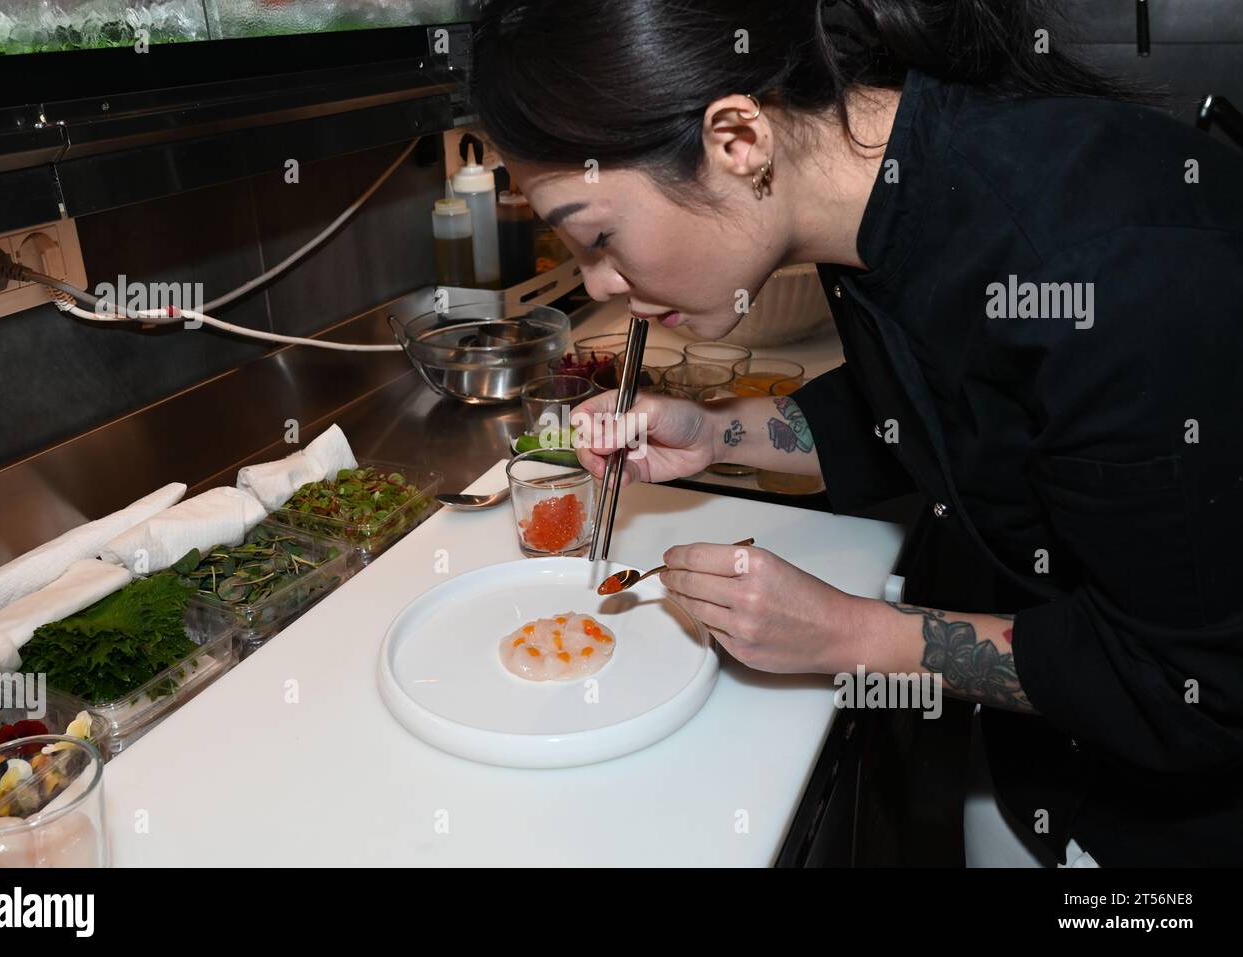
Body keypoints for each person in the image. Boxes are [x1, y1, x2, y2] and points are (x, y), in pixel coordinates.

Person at [472, 0, 1243, 866]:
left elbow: (1187, 687)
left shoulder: (1109, 270)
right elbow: (951, 411)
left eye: (597, 236)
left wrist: (848, 633)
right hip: (1044, 766)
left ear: (736, 140)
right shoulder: (884, 195)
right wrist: (721, 433)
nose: (599, 282)